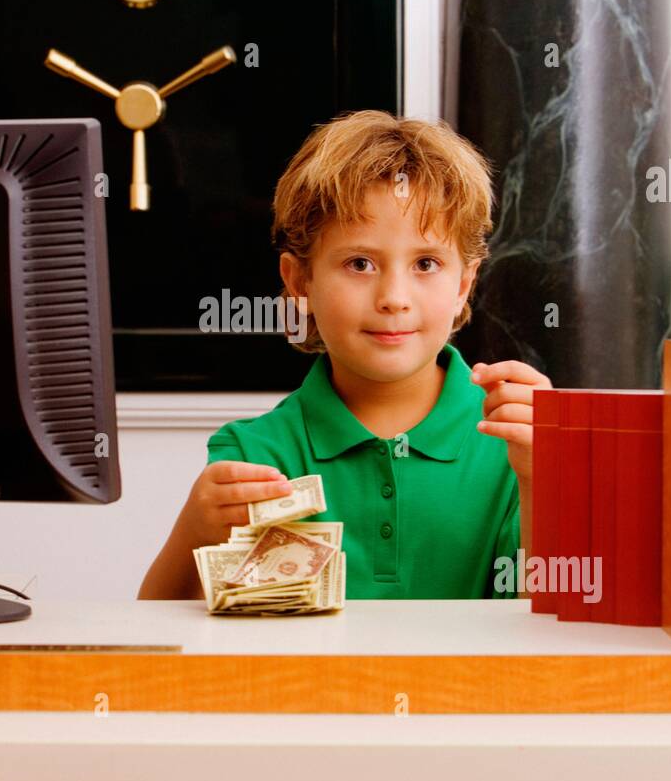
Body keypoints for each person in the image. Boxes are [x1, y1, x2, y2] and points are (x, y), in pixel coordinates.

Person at [138, 109, 551, 600]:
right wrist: (194, 532)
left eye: (426, 263)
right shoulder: (256, 455)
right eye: (359, 263)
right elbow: (167, 641)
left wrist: (543, 482)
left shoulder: (514, 446)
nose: (393, 297)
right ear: (299, 283)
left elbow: (552, 636)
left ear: (464, 284)